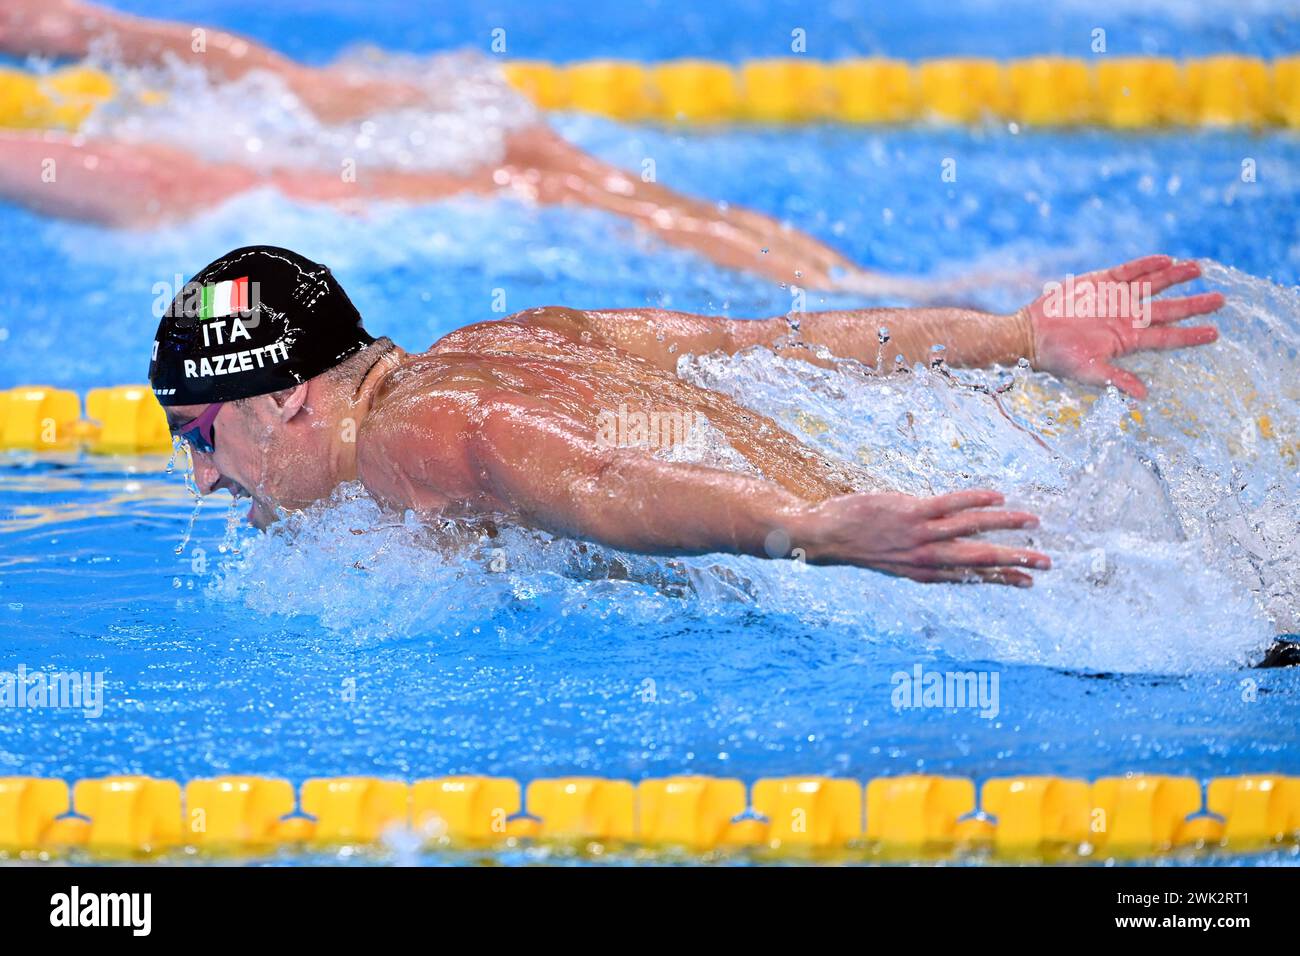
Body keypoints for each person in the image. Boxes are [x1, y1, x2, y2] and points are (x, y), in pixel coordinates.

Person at [151, 246, 1222, 587]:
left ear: (285, 391)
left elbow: (603, 482)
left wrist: (812, 532)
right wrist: (1018, 337)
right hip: (959, 531)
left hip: (902, 563)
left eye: (199, 432)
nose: (201, 473)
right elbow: (773, 343)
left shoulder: (417, 437)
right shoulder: (521, 335)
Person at [0, 0, 867, 289]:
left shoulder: (165, 172)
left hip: (330, 158)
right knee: (585, 182)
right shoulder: (221, 91)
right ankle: (868, 285)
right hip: (407, 109)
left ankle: (861, 297)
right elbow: (64, 23)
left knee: (556, 192)